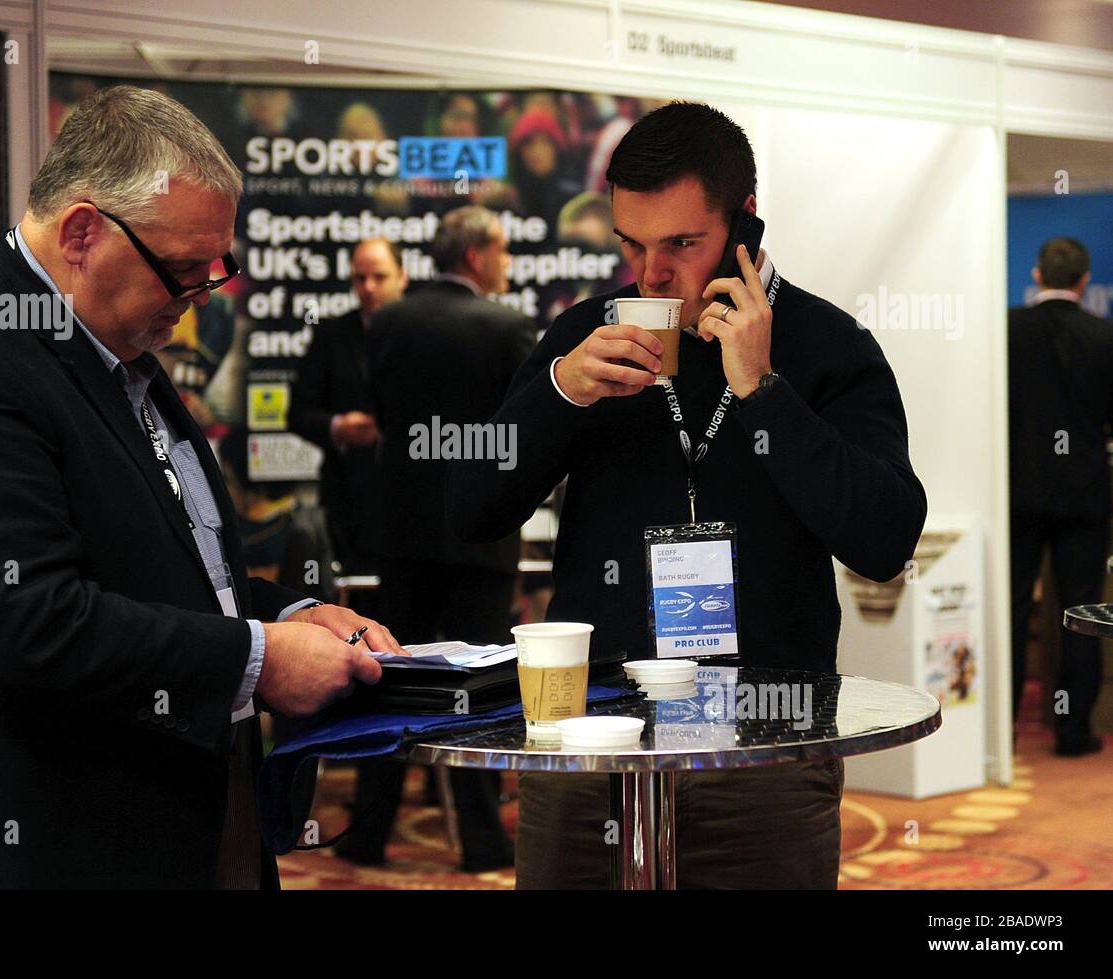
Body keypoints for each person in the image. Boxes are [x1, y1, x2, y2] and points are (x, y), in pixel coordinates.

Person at [0, 85, 402, 889]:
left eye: (215, 269)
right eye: (180, 271)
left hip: (164, 824)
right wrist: (260, 656)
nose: (198, 299)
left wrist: (292, 614)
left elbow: (157, 563)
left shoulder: (108, 340)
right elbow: (31, 619)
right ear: (80, 231)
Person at [452, 101, 927, 888]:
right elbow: (472, 511)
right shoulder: (586, 338)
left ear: (746, 225)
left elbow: (885, 540)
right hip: (589, 741)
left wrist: (765, 390)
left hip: (768, 747)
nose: (651, 275)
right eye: (631, 245)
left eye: (680, 243)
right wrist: (560, 395)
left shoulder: (828, 344)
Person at [334, 206, 535, 871]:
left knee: (389, 683)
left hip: (402, 537)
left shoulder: (388, 320)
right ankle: (483, 840)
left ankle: (367, 832)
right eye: (502, 250)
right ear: (477, 255)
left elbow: (382, 414)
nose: (506, 263)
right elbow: (522, 430)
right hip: (480, 543)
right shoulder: (506, 326)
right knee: (478, 692)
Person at [1008, 236, 1113, 757]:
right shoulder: (1104, 335)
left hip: (1017, 494)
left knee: (1008, 609)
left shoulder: (1007, 330)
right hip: (1085, 498)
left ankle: (998, 731)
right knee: (1081, 616)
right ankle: (1072, 733)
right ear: (1084, 281)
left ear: (1036, 275)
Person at [290, 238, 407, 576]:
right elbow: (297, 412)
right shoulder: (332, 334)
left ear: (403, 276)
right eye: (359, 278)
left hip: (415, 499)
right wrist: (339, 426)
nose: (368, 288)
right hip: (351, 501)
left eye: (379, 277)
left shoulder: (426, 331)